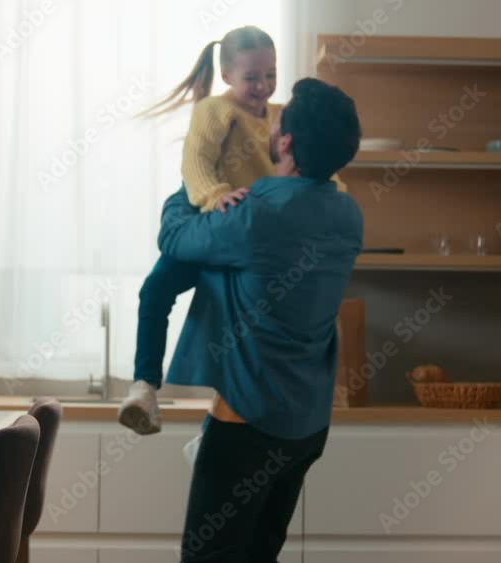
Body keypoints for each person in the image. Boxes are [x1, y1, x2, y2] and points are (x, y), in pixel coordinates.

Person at [159, 78, 363, 563]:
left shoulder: (258, 214)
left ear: (286, 142)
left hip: (247, 422)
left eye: (277, 119)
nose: (268, 121)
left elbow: (175, 239)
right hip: (306, 426)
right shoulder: (348, 213)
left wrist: (191, 184)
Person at [119, 26, 345, 435]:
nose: (263, 86)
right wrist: (215, 195)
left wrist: (329, 195)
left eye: (271, 75)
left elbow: (311, 165)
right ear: (226, 75)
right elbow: (195, 162)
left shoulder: (279, 118)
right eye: (251, 77)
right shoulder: (214, 111)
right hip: (213, 218)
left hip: (247, 235)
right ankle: (145, 385)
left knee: (238, 323)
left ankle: (217, 425)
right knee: (155, 291)